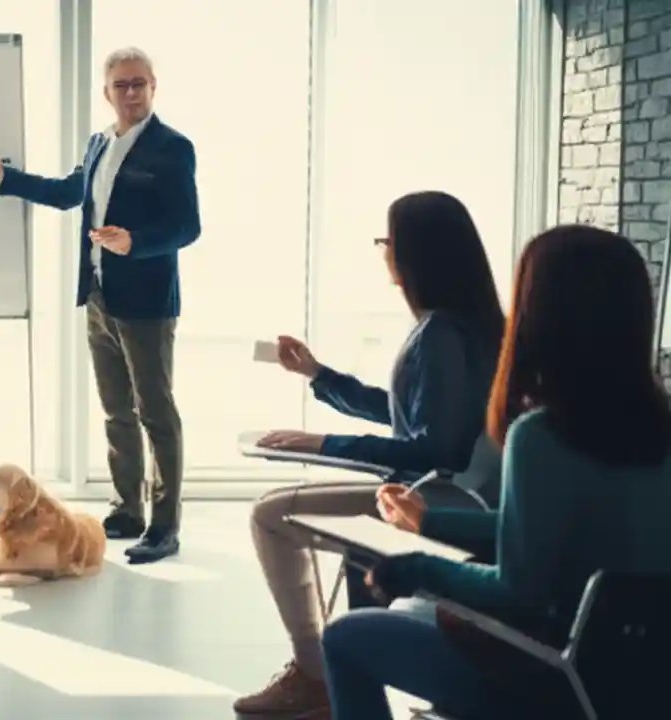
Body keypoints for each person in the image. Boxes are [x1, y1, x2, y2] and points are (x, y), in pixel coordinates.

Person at [322, 224, 671, 720]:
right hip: (646, 685)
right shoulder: (657, 428)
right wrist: (429, 521)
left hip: (558, 680)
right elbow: (545, 525)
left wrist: (415, 568)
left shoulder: (543, 435)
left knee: (344, 638)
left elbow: (518, 592)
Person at [234, 191, 505, 718]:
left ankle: (314, 677)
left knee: (269, 514)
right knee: (277, 506)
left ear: (414, 253)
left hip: (427, 498)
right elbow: (407, 413)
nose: (383, 249)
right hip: (427, 490)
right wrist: (319, 376)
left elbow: (434, 447)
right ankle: (325, 670)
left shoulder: (441, 333)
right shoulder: (461, 325)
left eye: (388, 239)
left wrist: (323, 444)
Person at [0, 46, 200, 564]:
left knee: (155, 413)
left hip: (146, 304)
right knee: (116, 409)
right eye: (122, 85)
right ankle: (127, 509)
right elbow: (71, 191)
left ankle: (164, 527)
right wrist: (5, 178)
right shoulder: (100, 143)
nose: (132, 92)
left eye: (140, 83)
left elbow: (188, 226)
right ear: (107, 92)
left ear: (154, 86)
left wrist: (134, 241)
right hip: (98, 295)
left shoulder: (172, 148)